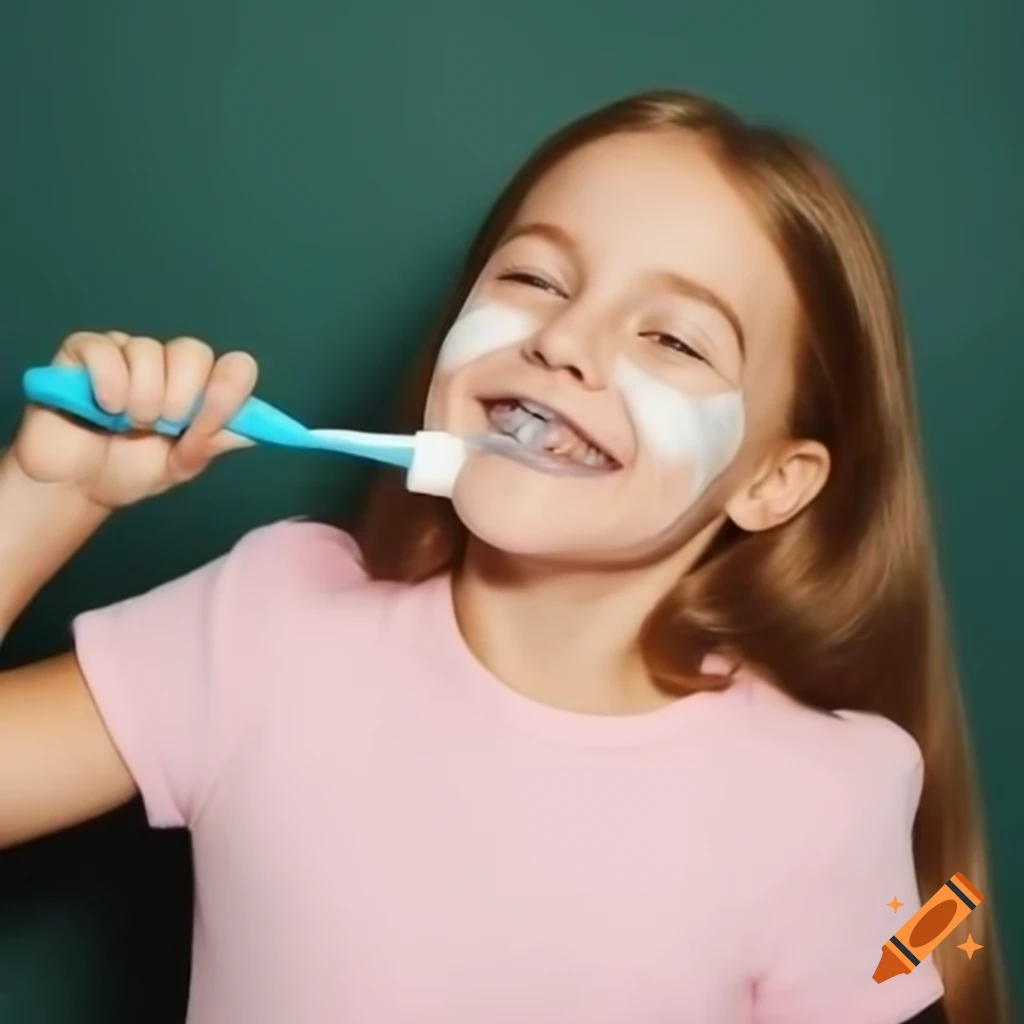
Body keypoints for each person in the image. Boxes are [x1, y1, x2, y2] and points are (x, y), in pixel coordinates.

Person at [0, 90, 1008, 1024]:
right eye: (533, 277)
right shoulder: (268, 625)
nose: (566, 338)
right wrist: (46, 499)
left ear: (771, 482)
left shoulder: (831, 791)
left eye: (675, 339)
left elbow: (921, 940)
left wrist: (929, 924)